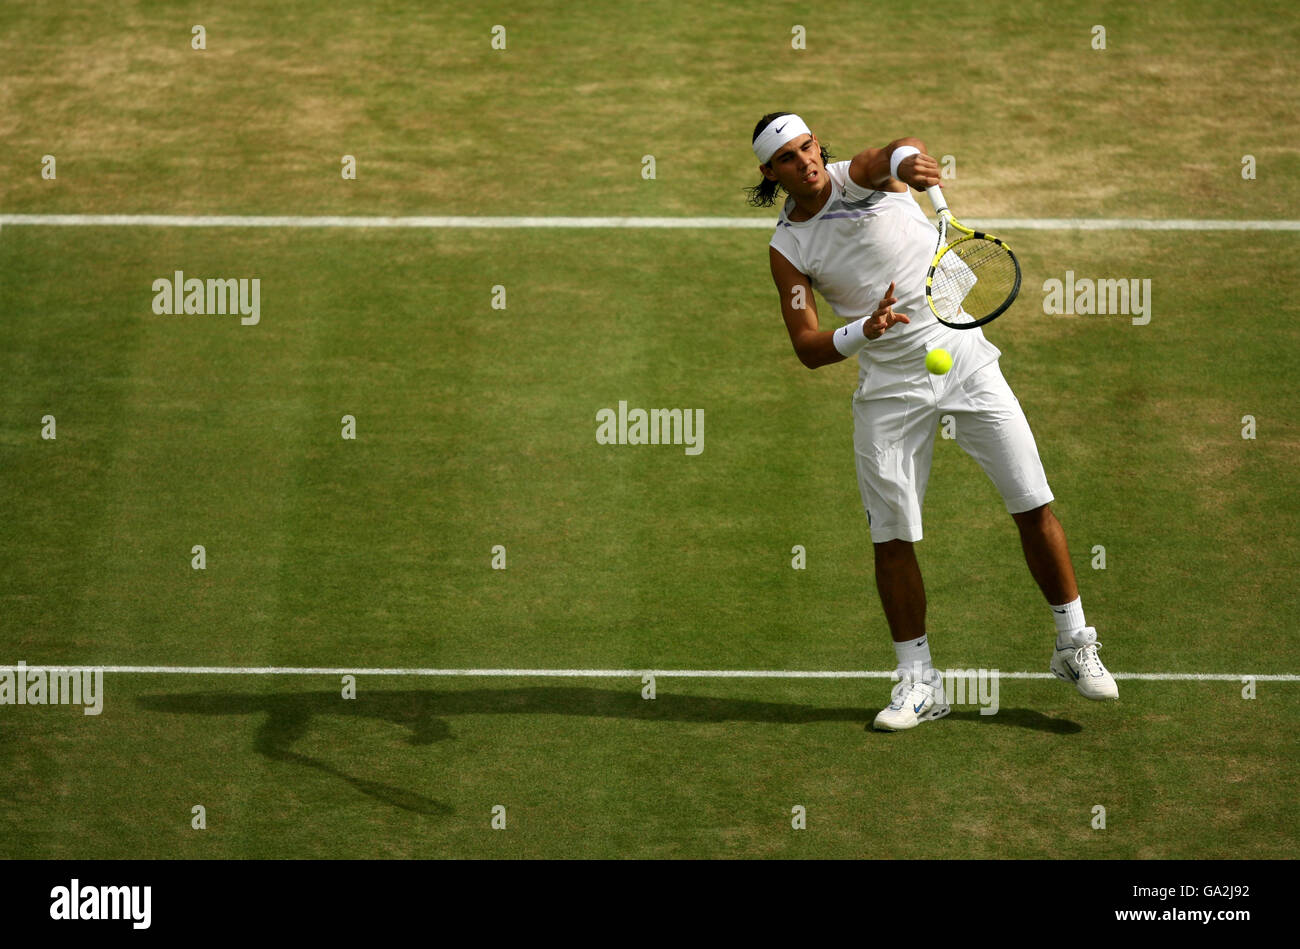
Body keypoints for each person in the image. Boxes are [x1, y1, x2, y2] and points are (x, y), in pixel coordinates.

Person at [748, 112, 1118, 731]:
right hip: (889, 388)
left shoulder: (859, 177)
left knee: (1032, 501)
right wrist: (863, 330)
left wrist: (909, 163)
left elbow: (894, 152)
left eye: (808, 146)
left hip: (965, 360)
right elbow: (808, 347)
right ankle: (919, 683)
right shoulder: (787, 249)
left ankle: (1074, 644)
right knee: (891, 537)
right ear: (770, 173)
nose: (805, 160)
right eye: (787, 158)